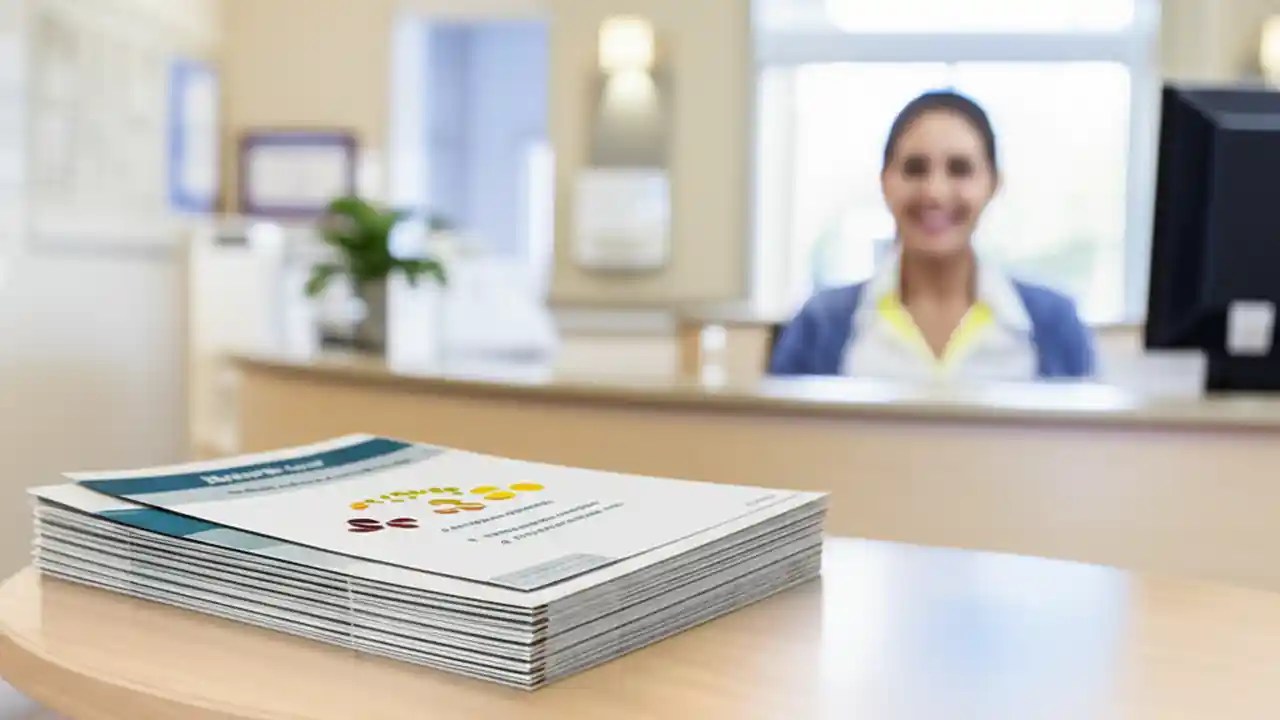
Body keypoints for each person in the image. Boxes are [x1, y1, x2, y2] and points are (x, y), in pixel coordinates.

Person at [769, 90, 1095, 381]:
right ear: (884, 182)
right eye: (914, 168)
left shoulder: (1055, 325)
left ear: (994, 183)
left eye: (960, 169)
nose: (935, 192)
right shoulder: (820, 324)